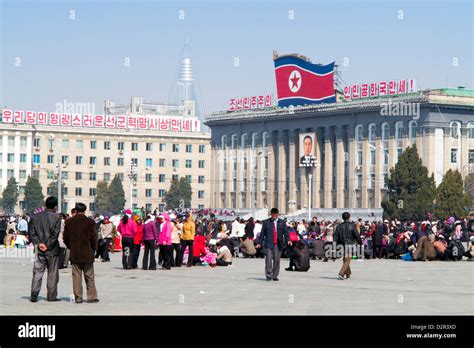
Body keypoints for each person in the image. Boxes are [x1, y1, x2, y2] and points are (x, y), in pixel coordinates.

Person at [63, 203, 99, 304]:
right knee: (89, 275)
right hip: (87, 252)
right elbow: (94, 238)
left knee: (76, 276)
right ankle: (91, 297)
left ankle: (78, 297)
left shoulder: (69, 222)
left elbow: (65, 238)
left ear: (76, 210)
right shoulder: (90, 222)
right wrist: (93, 249)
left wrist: (71, 247)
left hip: (75, 253)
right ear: (85, 210)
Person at [29, 196, 61, 302]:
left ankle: (34, 294)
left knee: (38, 271)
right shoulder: (56, 217)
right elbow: (55, 234)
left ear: (45, 204)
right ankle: (51, 296)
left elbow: (32, 233)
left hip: (39, 249)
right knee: (52, 273)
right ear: (55, 206)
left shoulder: (35, 217)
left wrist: (39, 244)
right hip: (52, 250)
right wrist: (47, 245)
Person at [255, 208, 291, 281]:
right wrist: (259, 243)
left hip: (278, 243)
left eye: (275, 215)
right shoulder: (266, 222)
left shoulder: (282, 222)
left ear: (278, 215)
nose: (274, 217)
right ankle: (268, 274)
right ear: (270, 214)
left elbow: (286, 233)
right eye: (272, 215)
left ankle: (275, 275)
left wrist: (288, 240)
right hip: (269, 243)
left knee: (277, 260)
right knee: (268, 259)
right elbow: (262, 234)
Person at [333, 211, 361, 280]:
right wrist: (360, 242)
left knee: (345, 259)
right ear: (349, 217)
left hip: (341, 244)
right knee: (347, 260)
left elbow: (335, 237)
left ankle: (348, 274)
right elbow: (357, 235)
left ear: (342, 217)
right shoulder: (352, 225)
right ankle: (341, 273)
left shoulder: (339, 226)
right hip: (350, 244)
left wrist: (334, 246)